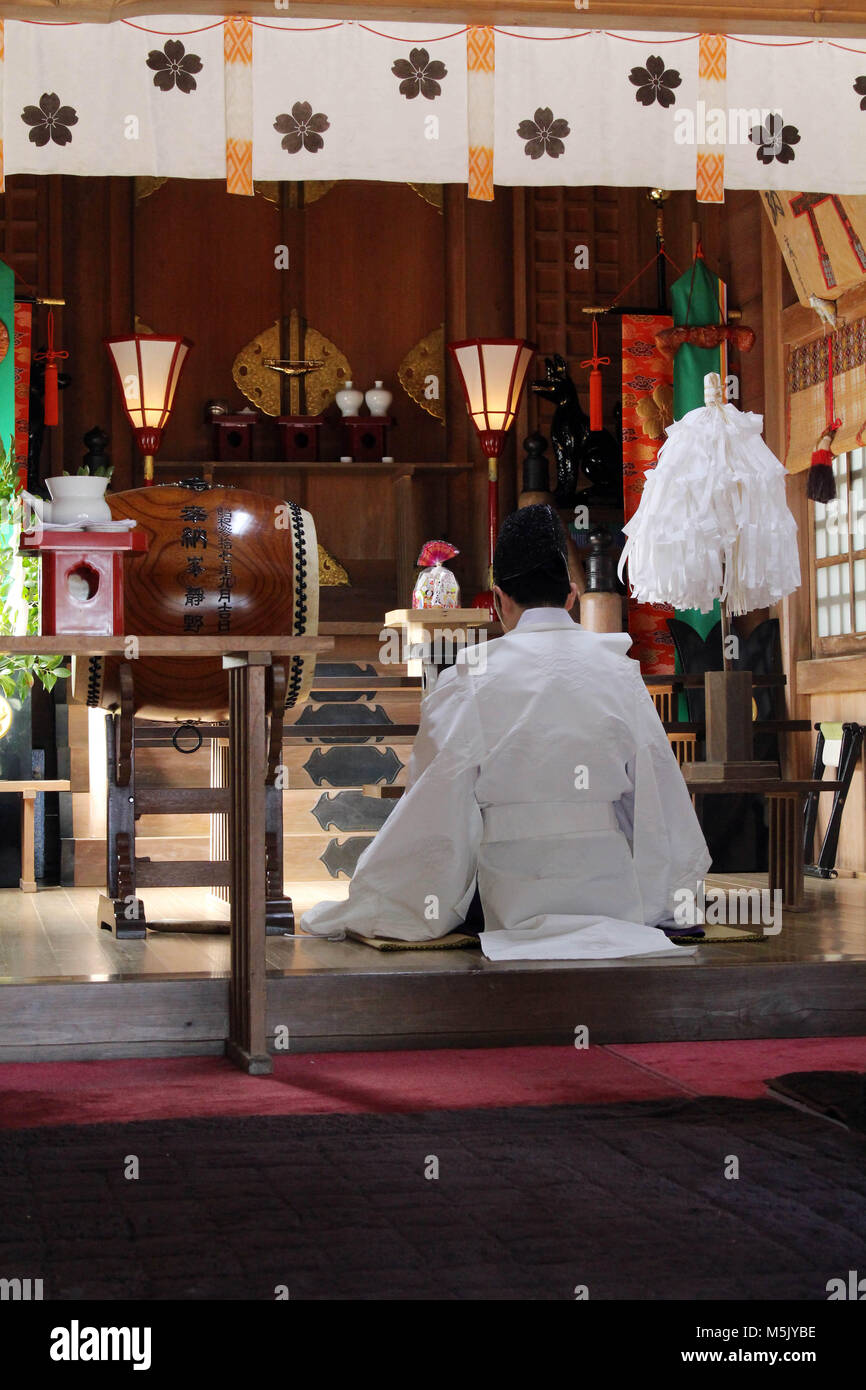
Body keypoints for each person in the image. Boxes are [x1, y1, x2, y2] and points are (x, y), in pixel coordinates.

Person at [301, 504, 712, 960]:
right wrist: (669, 897)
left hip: (510, 887)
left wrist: (408, 892)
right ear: (571, 596)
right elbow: (658, 796)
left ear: (498, 601)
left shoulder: (471, 675)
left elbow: (436, 801)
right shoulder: (619, 671)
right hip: (609, 884)